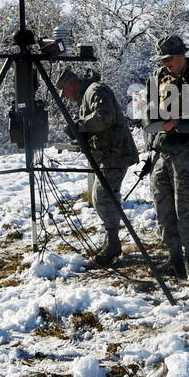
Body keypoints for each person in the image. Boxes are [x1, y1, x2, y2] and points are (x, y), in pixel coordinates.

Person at [146, 35, 189, 279]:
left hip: (186, 153)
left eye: (170, 58)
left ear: (182, 54)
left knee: (185, 208)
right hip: (160, 154)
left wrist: (176, 124)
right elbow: (147, 114)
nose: (166, 63)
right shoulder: (156, 77)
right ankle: (173, 257)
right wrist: (151, 140)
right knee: (163, 207)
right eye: (162, 59)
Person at [58, 68, 140, 267]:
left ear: (71, 85)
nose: (67, 98)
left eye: (65, 93)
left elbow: (105, 117)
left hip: (115, 153)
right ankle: (111, 241)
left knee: (102, 198)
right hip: (109, 153)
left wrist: (80, 126)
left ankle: (112, 245)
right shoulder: (89, 93)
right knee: (105, 197)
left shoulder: (95, 90)